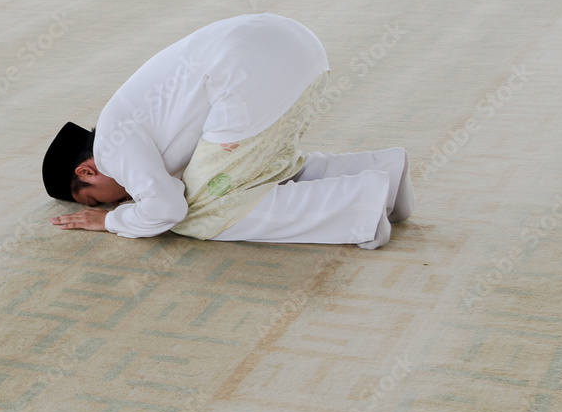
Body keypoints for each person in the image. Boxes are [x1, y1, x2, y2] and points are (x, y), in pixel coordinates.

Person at [41, 13, 414, 249]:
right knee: (251, 173)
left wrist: (111, 221)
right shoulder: (128, 121)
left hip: (249, 73)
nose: (116, 202)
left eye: (97, 201)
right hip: (298, 51)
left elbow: (168, 208)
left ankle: (360, 205)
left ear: (86, 172)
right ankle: (387, 173)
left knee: (202, 211)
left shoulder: (112, 147)